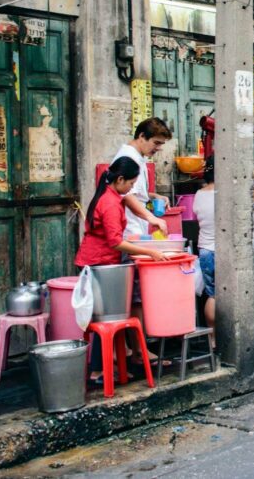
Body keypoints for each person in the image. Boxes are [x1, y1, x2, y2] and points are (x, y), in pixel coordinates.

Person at [76, 157, 166, 383]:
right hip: (100, 264)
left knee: (105, 317)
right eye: (131, 183)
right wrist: (150, 252)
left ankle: (104, 368)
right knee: (104, 319)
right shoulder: (109, 204)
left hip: (102, 263)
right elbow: (115, 241)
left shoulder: (111, 196)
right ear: (120, 179)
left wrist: (149, 219)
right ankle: (98, 371)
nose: (132, 188)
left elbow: (125, 206)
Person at [112, 117, 170, 239]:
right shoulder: (129, 156)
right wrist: (151, 218)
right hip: (129, 225)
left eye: (161, 144)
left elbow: (136, 192)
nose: (159, 148)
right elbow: (127, 195)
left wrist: (154, 196)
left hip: (137, 224)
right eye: (156, 143)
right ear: (142, 136)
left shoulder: (138, 156)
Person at [191, 159, 217, 346]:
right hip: (224, 251)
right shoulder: (226, 194)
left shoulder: (199, 194)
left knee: (212, 294)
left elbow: (195, 217)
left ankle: (212, 338)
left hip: (205, 250)